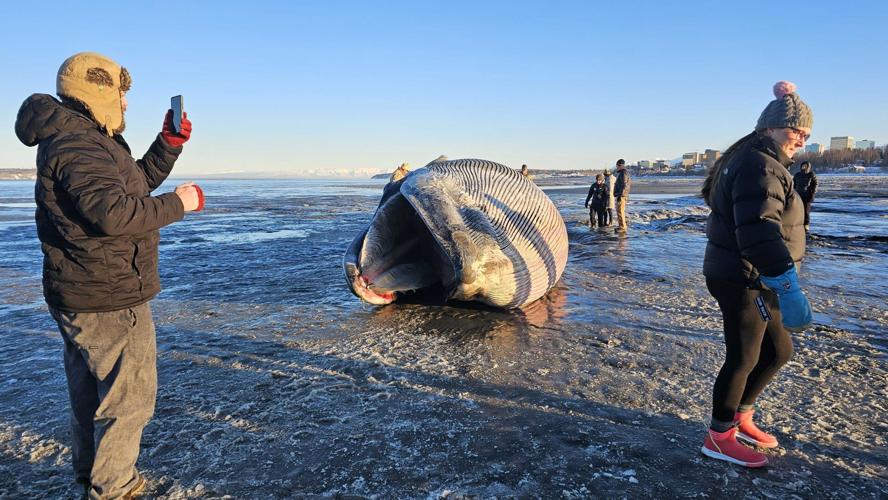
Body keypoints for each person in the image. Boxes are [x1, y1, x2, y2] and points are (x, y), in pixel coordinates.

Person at [14, 52, 201, 498]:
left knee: (90, 397)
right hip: (108, 296)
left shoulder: (82, 138)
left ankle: (90, 474)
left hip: (83, 291)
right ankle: (114, 487)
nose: (126, 104)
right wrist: (181, 204)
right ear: (97, 91)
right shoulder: (78, 145)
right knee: (128, 399)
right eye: (121, 94)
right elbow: (115, 214)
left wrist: (168, 144)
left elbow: (131, 184)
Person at [700, 81, 813, 468]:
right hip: (745, 275)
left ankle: (742, 415)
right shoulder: (758, 165)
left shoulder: (763, 161)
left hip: (758, 274)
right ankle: (718, 436)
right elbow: (759, 230)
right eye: (794, 128)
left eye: (806, 133)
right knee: (744, 356)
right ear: (769, 126)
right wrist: (786, 281)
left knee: (779, 350)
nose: (800, 137)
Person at [793, 161, 817, 231]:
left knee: (806, 212)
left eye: (805, 166)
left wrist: (812, 194)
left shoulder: (811, 174)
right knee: (797, 210)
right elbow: (793, 185)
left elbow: (815, 185)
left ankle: (806, 225)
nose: (804, 167)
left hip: (807, 196)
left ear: (808, 167)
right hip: (798, 195)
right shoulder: (797, 175)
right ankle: (798, 224)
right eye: (803, 166)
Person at [612, 159, 631, 232]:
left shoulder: (624, 173)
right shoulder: (622, 173)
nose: (616, 167)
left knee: (620, 211)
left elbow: (624, 185)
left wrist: (620, 195)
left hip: (622, 196)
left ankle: (622, 227)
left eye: (617, 165)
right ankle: (622, 226)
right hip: (621, 195)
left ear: (620, 165)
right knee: (619, 211)